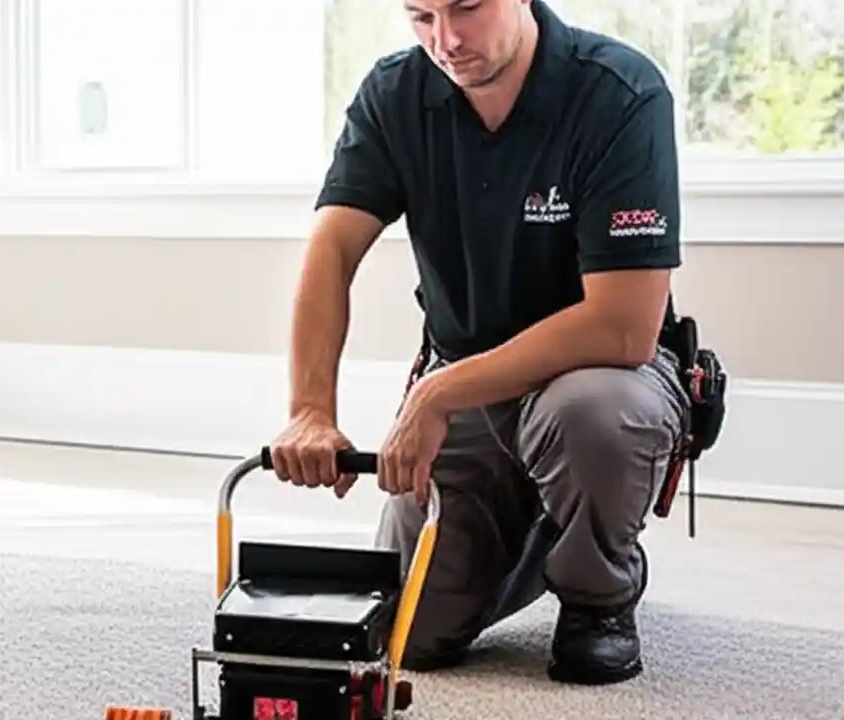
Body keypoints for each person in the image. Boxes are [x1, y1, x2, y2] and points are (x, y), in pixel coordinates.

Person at [266, 0, 690, 686]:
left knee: (589, 410)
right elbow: (332, 247)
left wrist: (435, 394)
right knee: (409, 633)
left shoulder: (619, 91)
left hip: (602, 376)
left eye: (466, 7)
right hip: (468, 384)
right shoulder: (396, 94)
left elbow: (623, 325)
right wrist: (310, 408)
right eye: (421, 15)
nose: (447, 40)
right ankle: (545, 531)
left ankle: (597, 595)